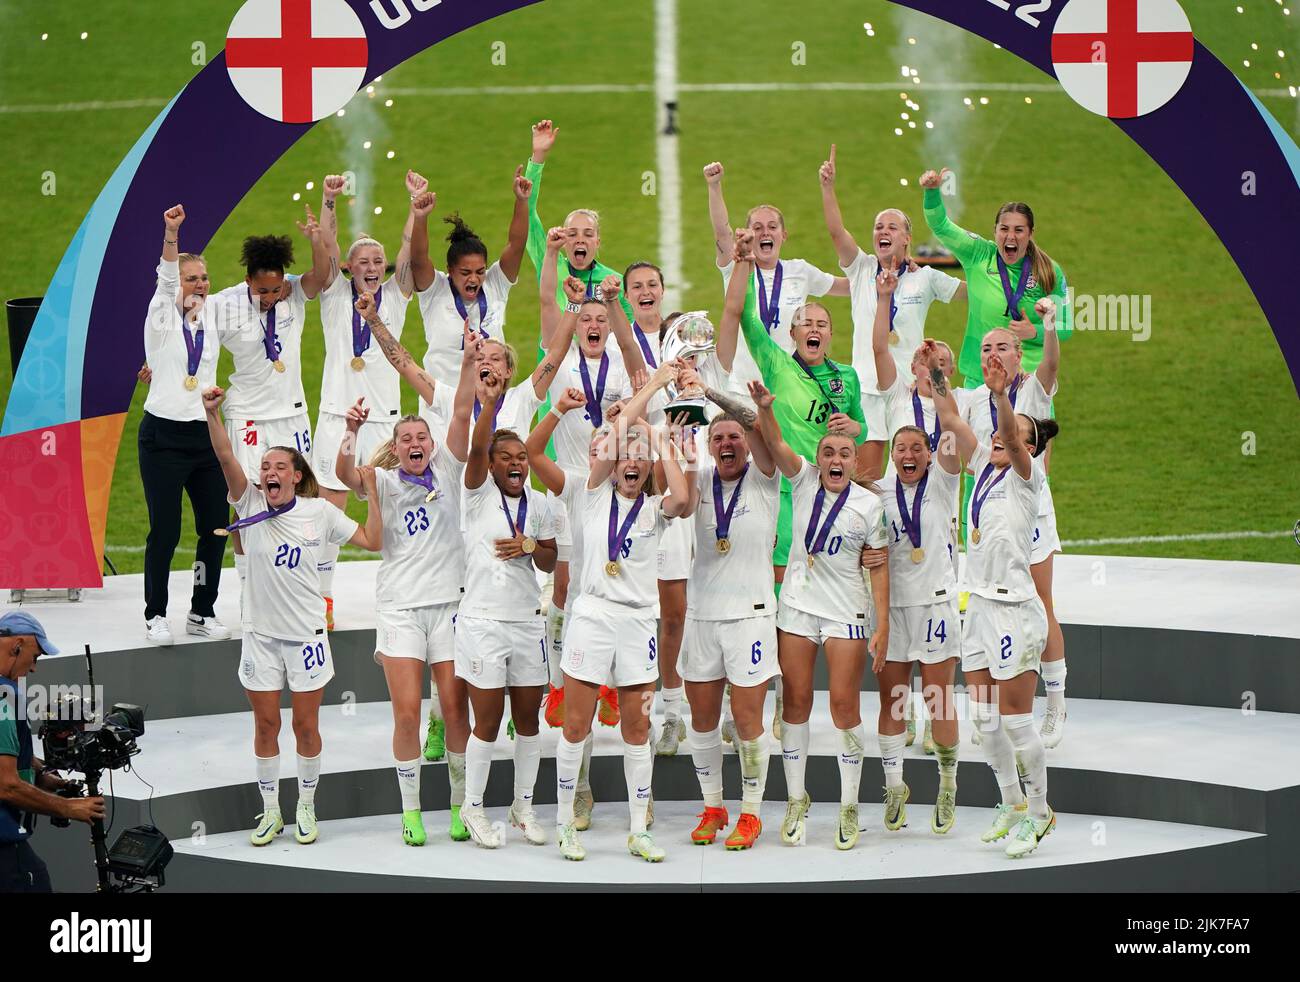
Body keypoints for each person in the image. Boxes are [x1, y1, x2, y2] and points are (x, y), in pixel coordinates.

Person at [203, 384, 383, 847]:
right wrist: (212, 413)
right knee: (266, 726)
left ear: (297, 474)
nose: (270, 472)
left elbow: (370, 541)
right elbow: (226, 459)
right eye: (265, 467)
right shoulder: (249, 503)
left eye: (280, 466)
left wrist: (376, 495)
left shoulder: (319, 512)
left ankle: (306, 805)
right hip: (260, 637)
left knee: (306, 726)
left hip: (306, 637)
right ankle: (269, 811)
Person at [526, 365, 692, 862]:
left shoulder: (652, 511)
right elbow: (615, 439)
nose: (633, 462)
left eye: (641, 460)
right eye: (626, 456)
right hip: (592, 618)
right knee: (576, 726)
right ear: (613, 462)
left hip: (639, 623)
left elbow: (682, 497)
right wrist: (655, 386)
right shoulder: (590, 494)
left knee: (636, 731)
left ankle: (639, 829)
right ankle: (563, 825)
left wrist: (660, 440)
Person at [715, 229, 871, 739]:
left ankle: (800, 695)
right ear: (793, 333)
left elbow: (860, 430)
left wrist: (859, 429)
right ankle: (781, 691)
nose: (814, 327)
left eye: (822, 323)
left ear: (829, 335)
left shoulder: (845, 378)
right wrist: (739, 262)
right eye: (805, 322)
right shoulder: (776, 361)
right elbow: (737, 315)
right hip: (783, 495)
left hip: (828, 501)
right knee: (781, 595)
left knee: (821, 590)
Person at [339, 292, 473, 845]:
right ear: (394, 449)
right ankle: (412, 810)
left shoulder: (449, 466)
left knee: (453, 705)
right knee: (404, 713)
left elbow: (460, 410)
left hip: (450, 604)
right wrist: (351, 433)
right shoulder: (385, 482)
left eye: (422, 437)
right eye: (406, 439)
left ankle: (464, 808)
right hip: (399, 608)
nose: (416, 443)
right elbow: (346, 475)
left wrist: (468, 362)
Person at [930, 348, 1060, 858]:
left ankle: (1042, 810)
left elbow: (1009, 428)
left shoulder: (1029, 478)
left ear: (1026, 445)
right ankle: (1012, 805)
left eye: (1011, 435)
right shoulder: (983, 462)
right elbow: (948, 415)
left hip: (1014, 610)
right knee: (983, 722)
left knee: (1015, 720)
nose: (1000, 438)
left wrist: (1004, 397)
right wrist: (935, 371)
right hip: (979, 606)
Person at [751, 379, 890, 850]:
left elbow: (881, 567)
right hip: (795, 607)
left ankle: (850, 805)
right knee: (795, 702)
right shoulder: (803, 479)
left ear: (855, 461)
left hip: (845, 610)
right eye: (828, 452)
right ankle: (796, 798)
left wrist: (883, 625)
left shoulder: (870, 506)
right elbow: (773, 442)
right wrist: (766, 408)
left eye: (843, 454)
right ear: (820, 457)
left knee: (844, 707)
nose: (834, 460)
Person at [311, 171, 422, 631]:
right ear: (350, 269)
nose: (372, 265)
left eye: (378, 259)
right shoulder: (334, 295)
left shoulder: (396, 297)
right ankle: (321, 599)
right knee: (327, 512)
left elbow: (408, 251)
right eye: (363, 261)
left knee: (398, 511)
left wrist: (416, 207)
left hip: (384, 425)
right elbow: (327, 250)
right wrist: (329, 200)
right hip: (338, 418)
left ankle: (406, 594)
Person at [454, 368, 560, 848]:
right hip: (482, 623)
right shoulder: (475, 495)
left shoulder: (538, 504)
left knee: (529, 722)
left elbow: (551, 557)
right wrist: (491, 404)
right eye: (507, 458)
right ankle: (473, 807)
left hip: (526, 621)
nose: (517, 463)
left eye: (522, 457)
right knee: (489, 723)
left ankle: (523, 807)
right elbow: (475, 449)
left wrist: (529, 544)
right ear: (493, 466)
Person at [213, 206, 332, 623]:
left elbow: (322, 274)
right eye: (262, 290)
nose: (270, 297)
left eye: (276, 289)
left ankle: (304, 588)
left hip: (292, 414)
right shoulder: (224, 304)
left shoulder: (293, 292)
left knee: (303, 498)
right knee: (248, 500)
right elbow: (184, 322)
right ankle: (251, 592)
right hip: (247, 415)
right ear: (248, 281)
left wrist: (317, 237)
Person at [677, 385, 782, 849]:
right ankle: (714, 806)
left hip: (750, 617)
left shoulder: (764, 476)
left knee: (746, 719)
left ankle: (751, 813)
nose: (726, 443)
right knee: (701, 720)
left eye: (734, 437)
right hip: (702, 617)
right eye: (717, 437)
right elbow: (670, 483)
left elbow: (759, 430)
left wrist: (714, 396)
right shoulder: (699, 479)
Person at [818, 144, 965, 473]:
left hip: (909, 392)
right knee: (865, 479)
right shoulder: (860, 269)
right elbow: (835, 231)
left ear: (907, 238)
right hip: (866, 389)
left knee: (910, 477)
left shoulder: (925, 278)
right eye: (878, 227)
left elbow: (971, 294)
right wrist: (828, 188)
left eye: (891, 227)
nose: (882, 231)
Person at [962, 301, 1066, 747]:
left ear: (1018, 353)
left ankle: (1057, 701)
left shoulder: (1031, 391)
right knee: (986, 599)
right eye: (987, 348)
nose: (994, 354)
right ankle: (989, 711)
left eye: (1003, 346)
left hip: (1031, 513)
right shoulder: (972, 398)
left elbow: (1052, 362)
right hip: (991, 514)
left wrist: (1048, 327)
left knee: (1040, 600)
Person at [873, 346, 964, 835]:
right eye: (900, 451)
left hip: (935, 605)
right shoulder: (881, 491)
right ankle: (894, 788)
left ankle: (947, 786)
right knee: (892, 703)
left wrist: (935, 376)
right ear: (892, 456)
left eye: (916, 450)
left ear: (930, 452)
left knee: (938, 698)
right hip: (891, 611)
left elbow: (948, 421)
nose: (908, 456)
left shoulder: (945, 481)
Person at [138, 204, 230, 645]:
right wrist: (171, 232)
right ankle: (156, 613)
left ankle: (201, 609)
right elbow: (165, 279)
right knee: (166, 530)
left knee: (215, 525)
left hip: (204, 437)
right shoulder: (160, 319)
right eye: (191, 279)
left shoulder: (213, 318)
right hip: (163, 440)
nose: (199, 285)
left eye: (204, 278)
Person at [703, 160, 849, 393]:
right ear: (748, 234)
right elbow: (722, 232)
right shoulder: (737, 266)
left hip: (787, 389)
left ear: (784, 235)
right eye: (757, 228)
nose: (765, 232)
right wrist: (714, 186)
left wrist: (886, 274)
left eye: (772, 227)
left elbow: (850, 286)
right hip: (741, 388)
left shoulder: (800, 271)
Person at [919, 167, 1071, 385]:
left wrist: (1035, 331)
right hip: (979, 379)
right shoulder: (979, 254)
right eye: (1004, 229)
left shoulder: (1049, 271)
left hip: (1028, 381)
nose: (1010, 236)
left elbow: (1066, 328)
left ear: (1031, 234)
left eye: (1019, 230)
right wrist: (932, 192)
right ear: (995, 231)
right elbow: (941, 226)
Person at [0, 612, 106, 893]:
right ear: (17, 645)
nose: (33, 668)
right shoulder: (4, 697)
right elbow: (6, 785)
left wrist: (40, 773)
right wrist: (70, 808)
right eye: (35, 657)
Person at [411, 165, 532, 389]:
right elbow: (418, 259)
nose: (474, 279)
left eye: (480, 271)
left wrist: (521, 201)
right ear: (450, 269)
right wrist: (420, 218)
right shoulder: (434, 290)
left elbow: (516, 245)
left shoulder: (495, 284)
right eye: (465, 273)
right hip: (442, 404)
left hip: (490, 401)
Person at [523, 120, 632, 317]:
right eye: (572, 234)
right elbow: (527, 212)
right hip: (555, 349)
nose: (580, 239)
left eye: (588, 234)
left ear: (597, 242)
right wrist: (538, 157)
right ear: (564, 241)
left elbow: (631, 331)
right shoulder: (549, 263)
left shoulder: (614, 282)